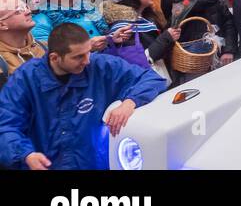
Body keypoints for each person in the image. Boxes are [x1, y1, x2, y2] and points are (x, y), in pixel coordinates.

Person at [0, 23, 166, 170]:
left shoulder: (100, 66)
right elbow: (6, 126)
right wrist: (26, 155)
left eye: (88, 52)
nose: (86, 61)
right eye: (78, 56)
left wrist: (130, 102)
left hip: (91, 163)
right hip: (45, 164)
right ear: (55, 57)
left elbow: (151, 78)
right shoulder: (26, 79)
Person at [0, 0, 44, 89]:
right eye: (19, 10)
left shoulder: (44, 47)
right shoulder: (2, 64)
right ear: (2, 25)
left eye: (26, 7)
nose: (28, 12)